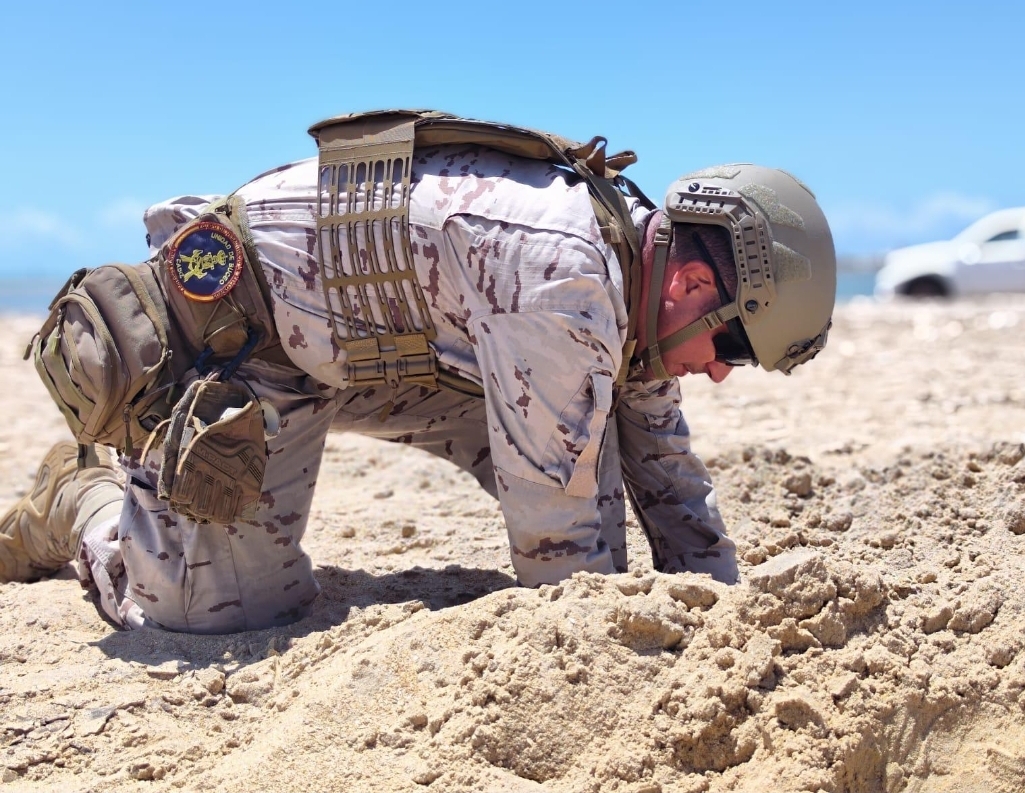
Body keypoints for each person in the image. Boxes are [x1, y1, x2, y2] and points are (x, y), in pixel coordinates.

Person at [0, 111, 836, 633]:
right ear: (693, 284)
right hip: (232, 348)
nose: (722, 375)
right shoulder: (566, 281)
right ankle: (82, 501)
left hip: (363, 343)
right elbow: (560, 549)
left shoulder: (638, 274)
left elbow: (663, 463)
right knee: (207, 613)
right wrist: (617, 631)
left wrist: (723, 605)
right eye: (731, 351)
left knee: (600, 430)